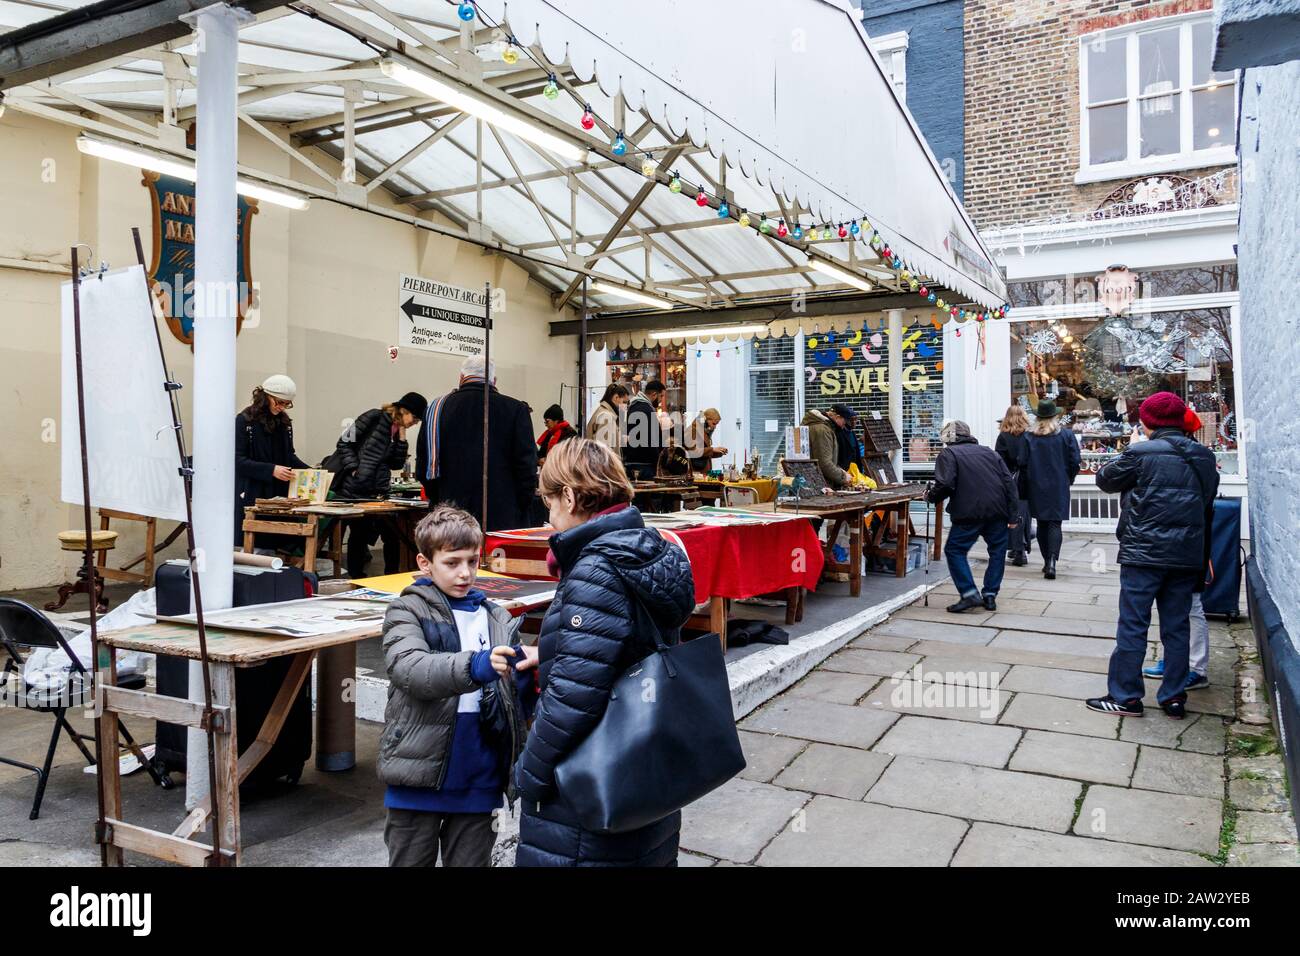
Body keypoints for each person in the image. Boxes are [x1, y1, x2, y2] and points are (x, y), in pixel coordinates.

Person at [501, 439, 695, 866]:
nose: (548, 516)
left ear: (569, 497)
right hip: (647, 766)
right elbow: (624, 649)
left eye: (549, 501)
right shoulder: (649, 546)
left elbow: (574, 701)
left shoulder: (595, 568)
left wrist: (528, 775)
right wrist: (552, 656)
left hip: (590, 785)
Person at [378, 506, 526, 867]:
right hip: (416, 776)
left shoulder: (497, 617)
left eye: (473, 561)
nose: (465, 573)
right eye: (452, 562)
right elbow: (409, 668)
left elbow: (511, 697)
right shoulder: (406, 611)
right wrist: (476, 664)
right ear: (424, 563)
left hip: (479, 776)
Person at [1086, 392, 1218, 720]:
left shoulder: (1140, 452)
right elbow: (1208, 497)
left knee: (1133, 624)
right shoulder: (1202, 456)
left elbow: (1105, 480)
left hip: (1143, 553)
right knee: (1176, 626)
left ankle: (1126, 696)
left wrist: (1132, 447)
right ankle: (1173, 696)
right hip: (1185, 554)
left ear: (1147, 422)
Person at [418, 356, 538, 533]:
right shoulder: (516, 410)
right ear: (494, 380)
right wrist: (519, 505)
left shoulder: (435, 409)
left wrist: (439, 498)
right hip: (503, 516)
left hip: (450, 516)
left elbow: (424, 466)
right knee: (500, 561)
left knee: (455, 559)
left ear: (461, 378)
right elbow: (527, 467)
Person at [1143, 406, 1215, 691]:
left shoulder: (1195, 458)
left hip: (1190, 542)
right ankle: (1175, 661)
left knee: (1192, 605)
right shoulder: (1188, 453)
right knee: (1174, 607)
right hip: (1175, 543)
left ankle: (1196, 667)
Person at [925, 420, 1019, 613]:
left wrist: (930, 496)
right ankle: (990, 595)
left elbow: (945, 484)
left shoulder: (949, 453)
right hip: (997, 511)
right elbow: (1009, 483)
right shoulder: (989, 453)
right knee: (997, 552)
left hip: (969, 512)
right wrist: (1013, 515)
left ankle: (969, 593)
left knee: (954, 550)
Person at [334, 392, 425, 577]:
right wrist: (354, 469)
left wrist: (402, 439)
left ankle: (391, 575)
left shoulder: (397, 431)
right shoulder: (372, 416)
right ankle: (357, 577)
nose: (414, 423)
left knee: (392, 534)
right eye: (414, 418)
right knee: (358, 535)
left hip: (379, 491)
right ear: (404, 410)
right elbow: (343, 443)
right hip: (356, 489)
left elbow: (396, 464)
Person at [234, 374, 309, 543]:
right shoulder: (245, 422)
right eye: (279, 402)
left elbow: (289, 456)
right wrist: (271, 470)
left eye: (286, 404)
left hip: (279, 496)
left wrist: (312, 471)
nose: (282, 407)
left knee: (281, 542)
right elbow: (238, 460)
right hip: (253, 493)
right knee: (255, 544)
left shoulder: (284, 423)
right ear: (265, 396)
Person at [1023, 399, 1081, 579]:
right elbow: (1075, 461)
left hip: (1036, 485)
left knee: (1041, 523)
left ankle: (1047, 561)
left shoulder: (1028, 437)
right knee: (1055, 523)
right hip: (1059, 484)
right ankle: (1052, 562)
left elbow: (1022, 462)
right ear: (1055, 416)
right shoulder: (1066, 435)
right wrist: (1068, 479)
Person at [994, 404, 1033, 567]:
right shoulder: (1029, 435)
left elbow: (999, 460)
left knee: (1012, 514)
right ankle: (1022, 547)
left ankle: (1018, 549)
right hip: (1027, 478)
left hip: (1010, 479)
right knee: (1025, 514)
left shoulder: (1003, 436)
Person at [621, 380, 668, 480]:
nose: (661, 400)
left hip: (631, 463)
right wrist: (659, 462)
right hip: (645, 466)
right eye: (661, 396)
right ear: (654, 394)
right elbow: (652, 441)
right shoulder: (646, 409)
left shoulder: (633, 407)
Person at [799, 406, 853, 489]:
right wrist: (843, 477)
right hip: (819, 485)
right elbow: (824, 463)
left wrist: (840, 470)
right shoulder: (822, 430)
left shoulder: (820, 427)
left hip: (812, 482)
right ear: (837, 417)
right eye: (845, 422)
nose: (844, 426)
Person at [683, 407, 729, 472]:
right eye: (713, 424)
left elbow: (706, 453)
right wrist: (712, 449)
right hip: (695, 471)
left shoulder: (704, 431)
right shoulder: (691, 430)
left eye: (716, 424)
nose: (715, 427)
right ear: (705, 420)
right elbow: (693, 452)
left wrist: (719, 451)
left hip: (704, 470)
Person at [587, 383, 629, 451]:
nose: (625, 405)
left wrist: (620, 438)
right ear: (616, 397)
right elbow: (603, 450)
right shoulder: (607, 416)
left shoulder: (604, 411)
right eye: (624, 402)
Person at [829, 403, 863, 474]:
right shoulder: (838, 432)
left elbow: (856, 453)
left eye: (855, 419)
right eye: (851, 420)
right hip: (843, 471)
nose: (854, 422)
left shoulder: (852, 433)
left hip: (854, 471)